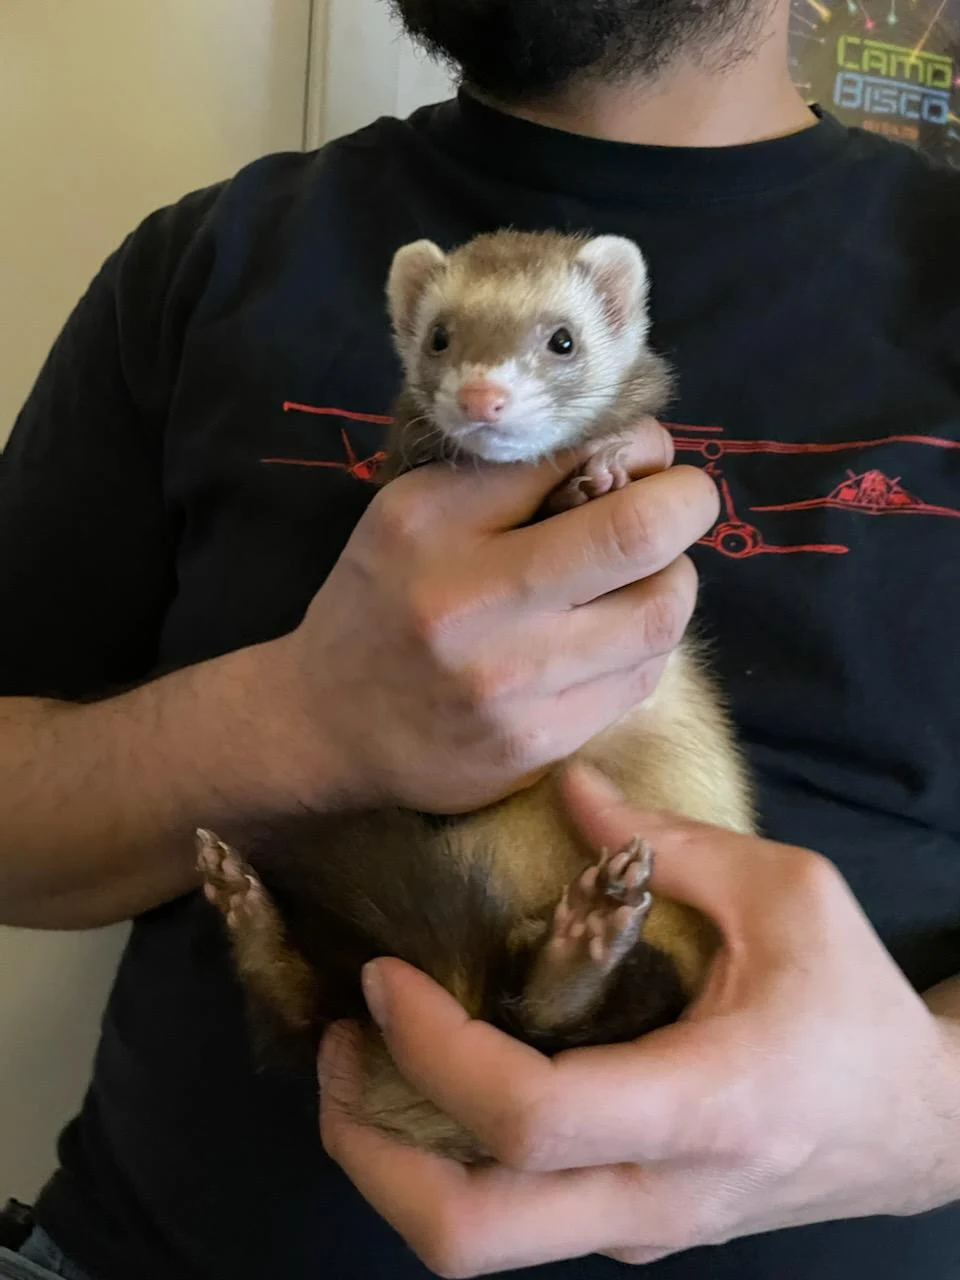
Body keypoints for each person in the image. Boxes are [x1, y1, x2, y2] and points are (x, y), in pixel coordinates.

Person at [0, 0, 959, 1275]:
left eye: (551, 344)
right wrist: (294, 723)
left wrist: (934, 1109)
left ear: (614, 314)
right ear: (412, 321)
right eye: (451, 344)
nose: (489, 383)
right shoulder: (204, 258)